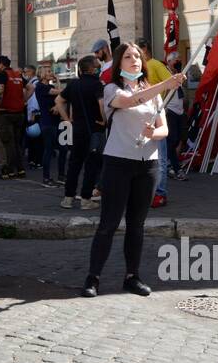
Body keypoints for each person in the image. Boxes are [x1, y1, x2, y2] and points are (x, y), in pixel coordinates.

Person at [81, 42, 186, 297]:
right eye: (128, 57)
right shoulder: (111, 89)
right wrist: (167, 83)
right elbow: (129, 101)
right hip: (118, 163)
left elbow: (165, 130)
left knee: (136, 225)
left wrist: (154, 132)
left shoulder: (153, 92)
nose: (135, 60)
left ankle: (132, 276)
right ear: (119, 63)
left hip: (147, 166)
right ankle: (93, 277)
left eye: (137, 56)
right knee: (108, 223)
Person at [57, 55, 106, 210]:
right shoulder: (97, 84)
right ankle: (86, 199)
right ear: (91, 68)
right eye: (97, 65)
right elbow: (101, 103)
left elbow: (58, 101)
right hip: (94, 130)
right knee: (91, 165)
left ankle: (68, 198)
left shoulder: (73, 84)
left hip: (76, 129)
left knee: (74, 164)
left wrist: (67, 119)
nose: (99, 67)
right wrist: (104, 120)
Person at [135, 38, 174, 208]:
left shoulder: (156, 64)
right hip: (141, 117)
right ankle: (148, 191)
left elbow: (172, 83)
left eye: (138, 52)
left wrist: (160, 101)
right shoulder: (139, 68)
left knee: (161, 158)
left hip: (156, 116)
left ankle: (160, 193)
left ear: (145, 49)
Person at [0, 55, 27, 179]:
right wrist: (22, 101)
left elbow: (0, 91)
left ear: (1, 64)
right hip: (19, 113)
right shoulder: (18, 75)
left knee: (8, 143)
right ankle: (20, 169)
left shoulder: (3, 74)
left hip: (5, 112)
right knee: (17, 142)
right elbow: (31, 88)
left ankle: (9, 171)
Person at [33, 60, 64, 186]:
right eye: (49, 71)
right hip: (47, 122)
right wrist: (58, 82)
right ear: (42, 74)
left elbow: (62, 98)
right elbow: (61, 93)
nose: (52, 73)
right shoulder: (40, 87)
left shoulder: (50, 87)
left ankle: (61, 176)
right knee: (49, 149)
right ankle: (46, 178)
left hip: (56, 121)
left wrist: (58, 106)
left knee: (63, 148)